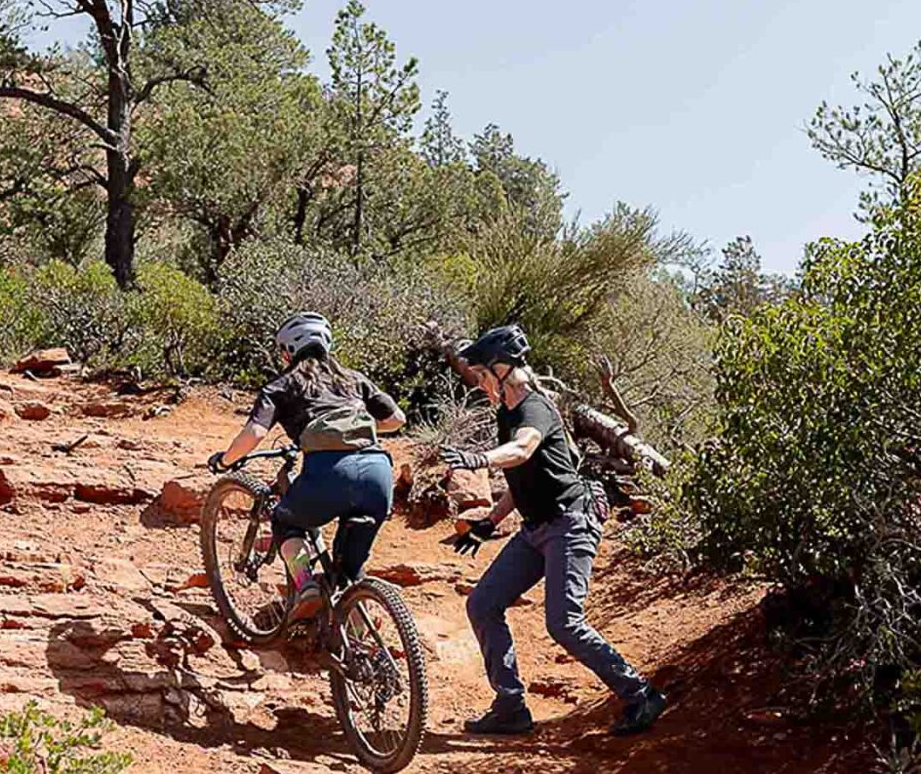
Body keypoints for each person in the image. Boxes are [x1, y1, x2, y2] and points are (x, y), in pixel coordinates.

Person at [439, 324, 666, 738]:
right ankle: (510, 707)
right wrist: (488, 522)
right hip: (536, 528)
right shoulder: (506, 413)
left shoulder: (534, 408)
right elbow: (519, 475)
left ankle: (640, 694)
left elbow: (523, 449)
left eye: (482, 375)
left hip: (570, 522)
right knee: (483, 604)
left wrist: (477, 460)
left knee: (563, 622)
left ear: (500, 369)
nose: (480, 383)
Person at [211, 311, 407, 626]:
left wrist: (225, 461)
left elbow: (255, 433)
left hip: (329, 474)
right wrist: (353, 432)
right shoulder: (353, 378)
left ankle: (306, 586)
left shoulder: (281, 385)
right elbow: (397, 420)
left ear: (288, 350)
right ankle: (366, 655)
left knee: (286, 521)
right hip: (378, 474)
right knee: (350, 574)